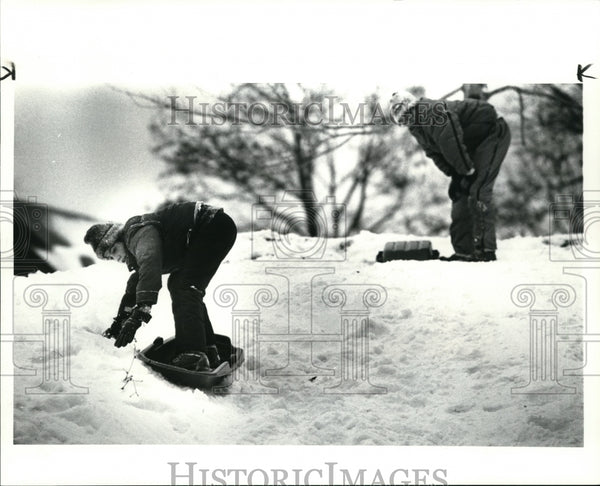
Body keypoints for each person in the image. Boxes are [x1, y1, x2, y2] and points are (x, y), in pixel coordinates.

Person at [84, 201, 237, 371]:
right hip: (209, 230)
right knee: (182, 284)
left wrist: (142, 309)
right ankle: (208, 349)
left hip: (212, 225)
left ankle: (193, 354)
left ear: (120, 238)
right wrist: (121, 321)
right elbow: (137, 283)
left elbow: (150, 261)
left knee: (183, 286)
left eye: (114, 250)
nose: (116, 258)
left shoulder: (136, 233)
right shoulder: (135, 249)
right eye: (110, 258)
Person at [390, 90, 511, 262]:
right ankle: (464, 251)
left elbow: (450, 139)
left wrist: (466, 170)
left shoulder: (430, 111)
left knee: (478, 190)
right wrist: (455, 175)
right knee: (460, 193)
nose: (406, 121)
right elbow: (435, 154)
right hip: (470, 146)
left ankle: (485, 250)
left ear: (412, 108)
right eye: (402, 121)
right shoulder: (417, 129)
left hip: (492, 132)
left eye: (406, 115)